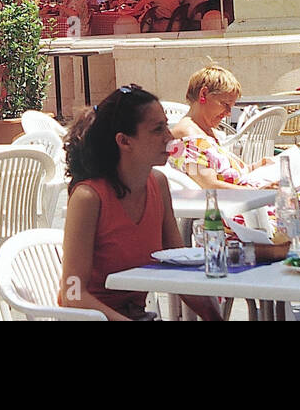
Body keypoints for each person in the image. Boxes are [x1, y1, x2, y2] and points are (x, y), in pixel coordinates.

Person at [60, 85, 223, 322]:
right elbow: (72, 294)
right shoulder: (89, 197)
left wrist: (213, 316)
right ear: (124, 141)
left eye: (166, 125)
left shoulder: (158, 183)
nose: (169, 137)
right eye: (158, 129)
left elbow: (178, 266)